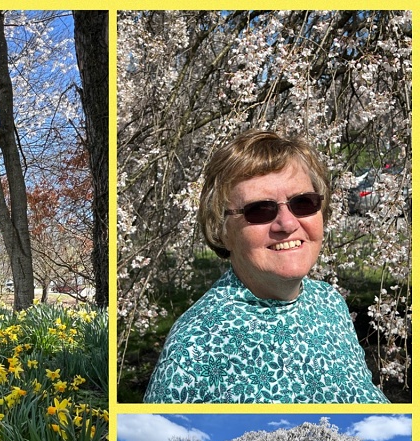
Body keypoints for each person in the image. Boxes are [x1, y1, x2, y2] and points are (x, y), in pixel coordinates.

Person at [144, 130, 387, 403]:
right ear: (221, 229)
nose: (287, 224)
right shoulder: (194, 347)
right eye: (259, 209)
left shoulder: (330, 302)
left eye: (303, 203)